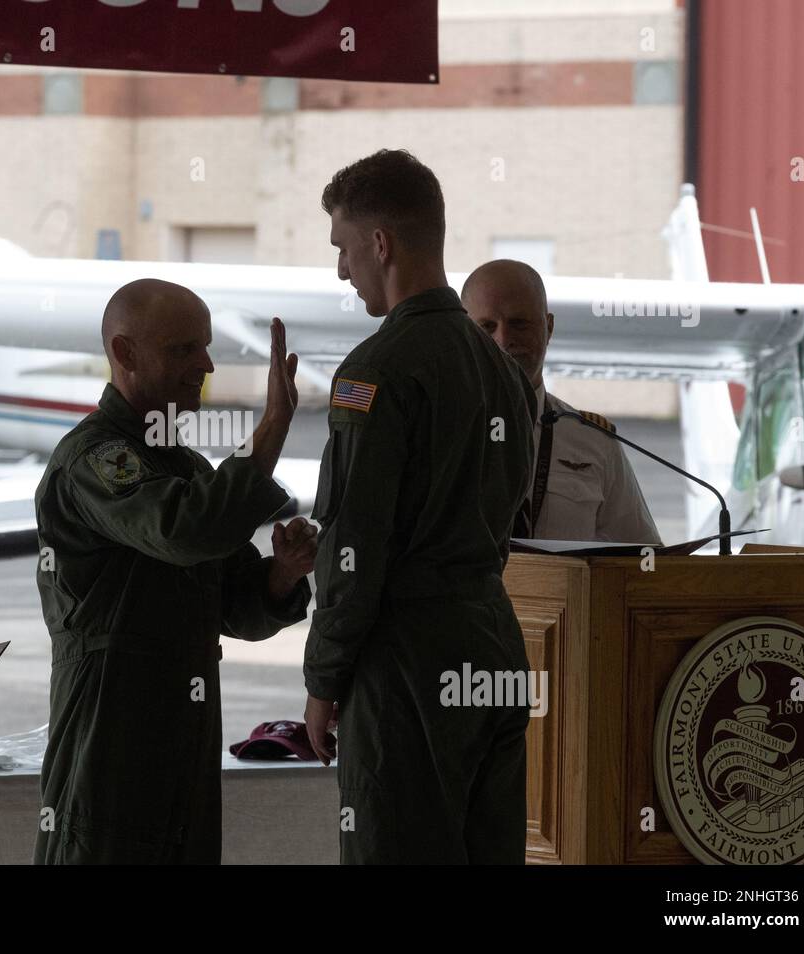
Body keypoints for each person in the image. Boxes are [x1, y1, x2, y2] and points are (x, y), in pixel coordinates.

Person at [303, 149, 537, 864]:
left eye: (344, 248)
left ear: (381, 244)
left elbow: (352, 544)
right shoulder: (502, 367)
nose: (343, 270)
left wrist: (324, 679)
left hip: (408, 664)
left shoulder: (370, 372)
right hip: (493, 646)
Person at [33, 278, 316, 864]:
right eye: (184, 349)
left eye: (205, 347)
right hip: (110, 730)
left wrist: (282, 574)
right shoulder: (95, 459)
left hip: (181, 735)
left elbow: (234, 603)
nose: (205, 365)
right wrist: (269, 432)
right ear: (125, 354)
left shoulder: (182, 465)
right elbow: (181, 533)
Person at [462, 259, 662, 544]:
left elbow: (644, 556)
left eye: (519, 324)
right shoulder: (436, 431)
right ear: (464, 334)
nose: (504, 339)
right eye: (487, 326)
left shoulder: (594, 441)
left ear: (549, 327)